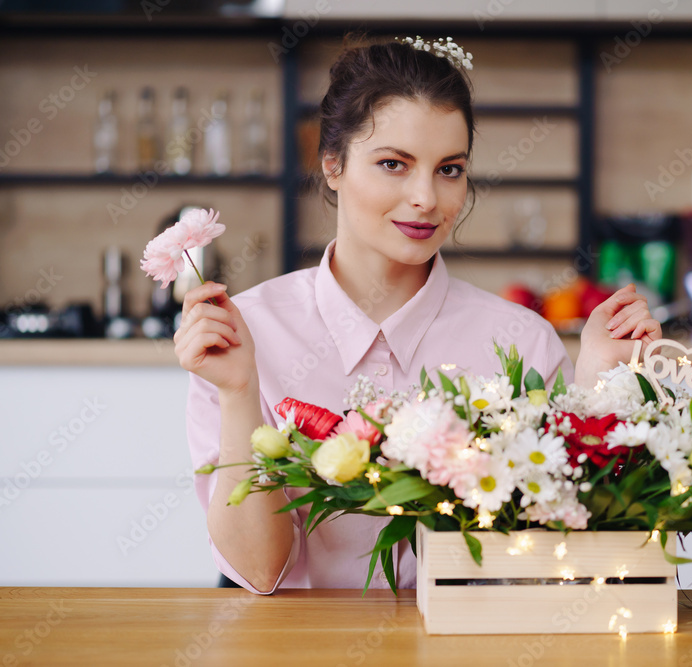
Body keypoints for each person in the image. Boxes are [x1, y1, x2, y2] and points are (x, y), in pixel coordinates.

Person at [178, 35, 662, 595]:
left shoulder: (521, 342)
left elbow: (560, 561)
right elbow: (260, 572)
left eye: (449, 169)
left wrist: (600, 389)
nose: (426, 198)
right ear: (332, 164)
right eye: (393, 164)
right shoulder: (250, 332)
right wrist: (241, 393)